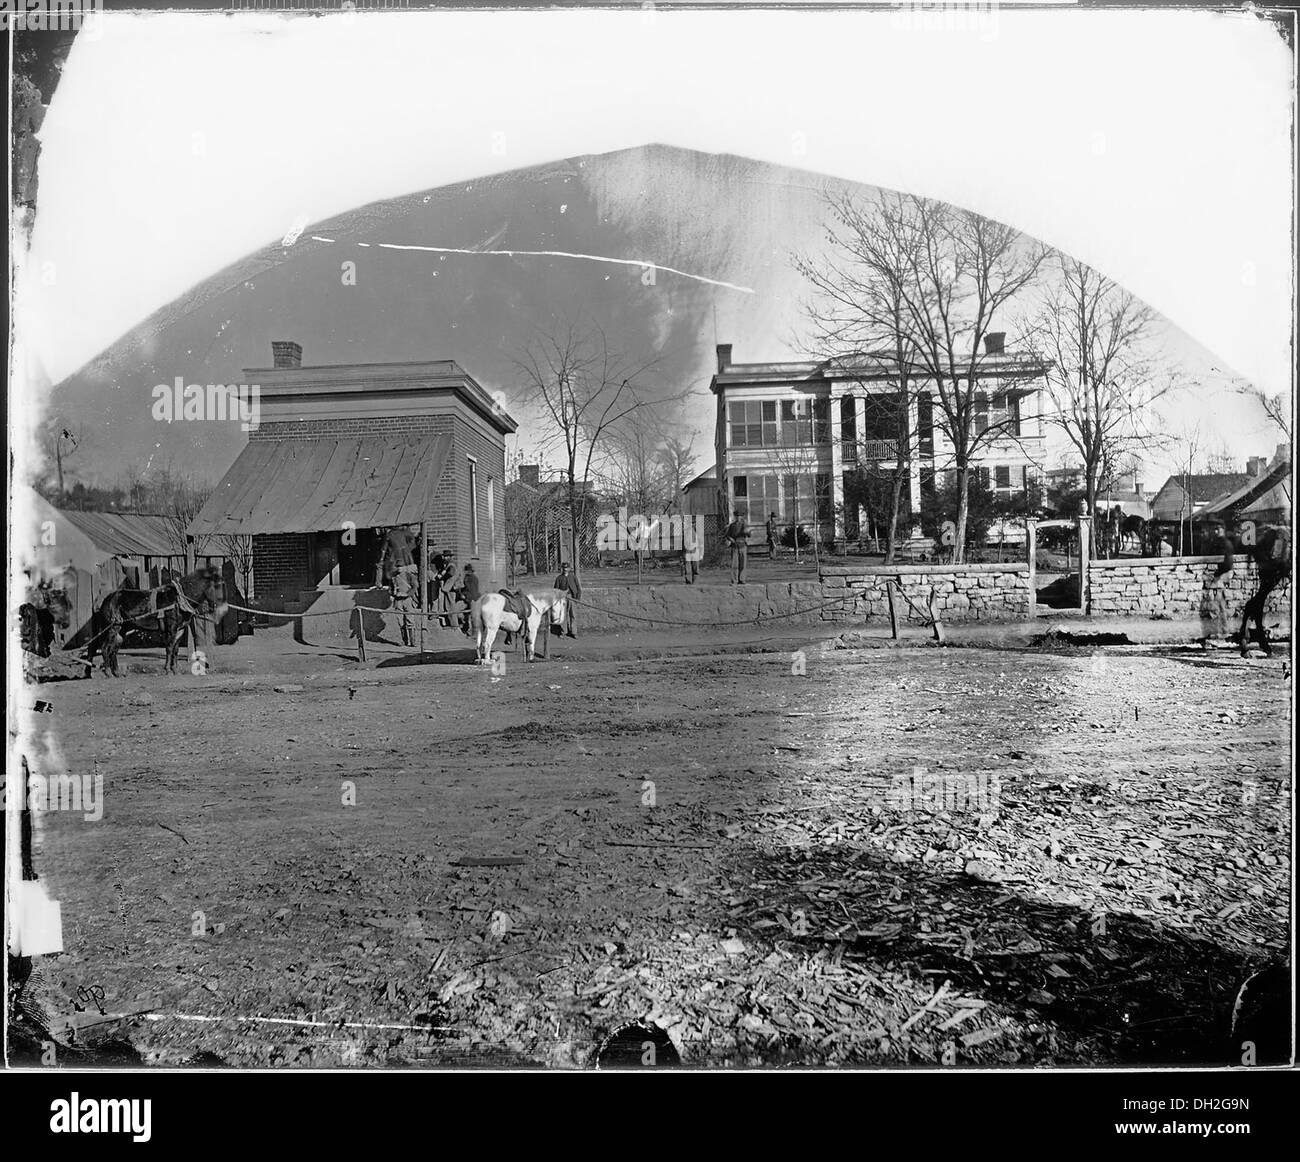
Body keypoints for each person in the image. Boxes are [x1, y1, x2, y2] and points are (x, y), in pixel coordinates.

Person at [1200, 519, 1235, 647]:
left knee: (1217, 604)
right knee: (1218, 604)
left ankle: (1220, 632)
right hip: (1220, 574)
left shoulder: (1225, 543)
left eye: (1218, 529)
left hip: (1223, 574)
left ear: (1223, 530)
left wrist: (1218, 577)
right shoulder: (1218, 542)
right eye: (1214, 529)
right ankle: (1221, 631)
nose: (1215, 531)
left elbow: (1227, 563)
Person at [553, 561, 581, 638]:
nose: (565, 569)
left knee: (573, 615)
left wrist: (577, 598)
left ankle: (574, 632)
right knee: (563, 615)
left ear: (569, 568)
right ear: (562, 569)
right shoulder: (559, 578)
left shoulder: (573, 577)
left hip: (572, 598)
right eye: (564, 568)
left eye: (567, 568)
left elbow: (578, 588)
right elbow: (555, 590)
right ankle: (563, 632)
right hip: (563, 599)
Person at [392, 566, 417, 647]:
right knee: (400, 621)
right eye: (397, 567)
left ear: (404, 567)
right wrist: (393, 593)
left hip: (408, 600)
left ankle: (413, 641)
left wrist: (407, 594)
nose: (399, 568)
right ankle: (405, 641)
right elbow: (390, 589)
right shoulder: (394, 577)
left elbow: (414, 587)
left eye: (401, 566)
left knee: (410, 620)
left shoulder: (410, 576)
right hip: (398, 600)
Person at [725, 509, 749, 585]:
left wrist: (747, 532)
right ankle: (734, 580)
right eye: (737, 516)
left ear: (742, 517)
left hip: (742, 546)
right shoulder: (732, 525)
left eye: (740, 516)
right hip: (734, 546)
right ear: (735, 517)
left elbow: (749, 534)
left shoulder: (744, 524)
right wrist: (730, 538)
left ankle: (742, 579)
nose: (738, 517)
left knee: (743, 564)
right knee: (734, 564)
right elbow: (727, 535)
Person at [459, 564, 481, 635]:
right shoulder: (470, 577)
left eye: (466, 571)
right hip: (470, 598)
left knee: (472, 616)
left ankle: (473, 632)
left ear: (469, 571)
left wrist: (464, 594)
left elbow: (471, 590)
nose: (465, 572)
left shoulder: (471, 578)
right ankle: (468, 629)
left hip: (472, 598)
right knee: (467, 614)